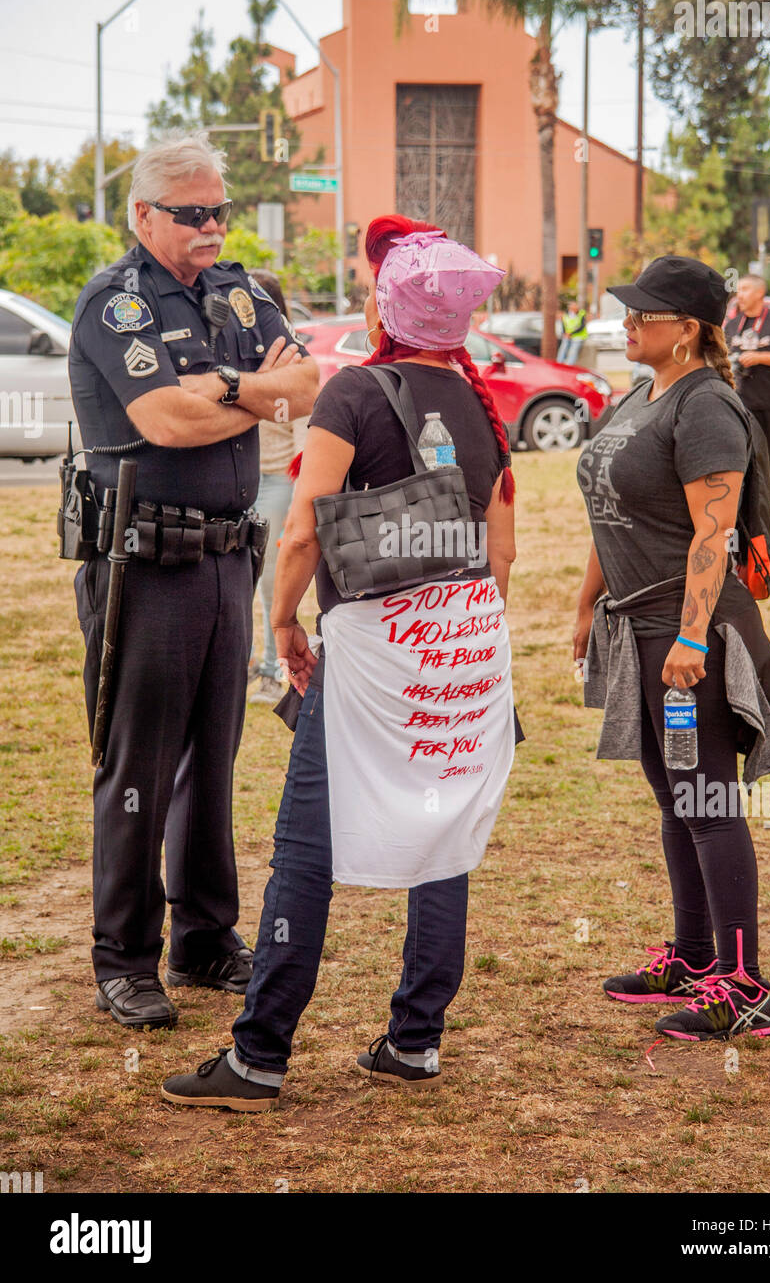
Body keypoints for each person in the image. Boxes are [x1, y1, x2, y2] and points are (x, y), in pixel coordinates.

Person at [161, 214, 518, 1109]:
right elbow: (501, 554)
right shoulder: (480, 404)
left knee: (304, 849)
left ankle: (259, 1056)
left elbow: (303, 527)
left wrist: (282, 622)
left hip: (372, 656)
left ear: (387, 307)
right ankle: (416, 1039)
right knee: (441, 839)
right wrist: (456, 640)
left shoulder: (356, 392)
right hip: (466, 647)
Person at [68, 131, 318, 1030]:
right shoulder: (116, 304)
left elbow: (311, 389)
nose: (213, 225)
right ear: (144, 215)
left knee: (212, 763)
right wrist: (252, 390)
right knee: (138, 765)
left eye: (221, 209)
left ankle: (205, 939)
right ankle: (125, 959)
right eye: (193, 213)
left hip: (228, 558)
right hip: (143, 561)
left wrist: (223, 384)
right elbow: (164, 422)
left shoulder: (244, 291)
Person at [573, 255, 770, 1043]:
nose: (629, 322)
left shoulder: (707, 406)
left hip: (689, 635)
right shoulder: (643, 393)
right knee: (675, 794)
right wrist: (585, 606)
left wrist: (690, 635)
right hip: (637, 627)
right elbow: (611, 511)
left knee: (706, 799)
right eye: (630, 311)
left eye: (645, 312)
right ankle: (695, 956)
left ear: (690, 329)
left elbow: (716, 531)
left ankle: (743, 988)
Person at [247, 268, 309, 705]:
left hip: (276, 482)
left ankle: (272, 670)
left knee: (271, 585)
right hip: (241, 484)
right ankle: (246, 663)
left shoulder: (293, 361)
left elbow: (304, 438)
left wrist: (298, 498)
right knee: (236, 586)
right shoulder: (240, 354)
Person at [724, 274, 770, 509]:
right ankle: (747, 495)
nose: (739, 295)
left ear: (759, 293)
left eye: (745, 289)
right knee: (743, 448)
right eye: (738, 290)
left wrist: (759, 357)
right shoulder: (733, 324)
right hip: (741, 399)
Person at [558, 298, 589, 365]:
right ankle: (559, 363)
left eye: (575, 307)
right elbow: (563, 325)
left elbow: (582, 326)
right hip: (568, 336)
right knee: (563, 348)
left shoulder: (581, 313)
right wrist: (565, 333)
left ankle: (569, 365)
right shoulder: (566, 315)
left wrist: (571, 333)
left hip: (578, 336)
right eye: (572, 307)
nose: (574, 309)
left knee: (573, 351)